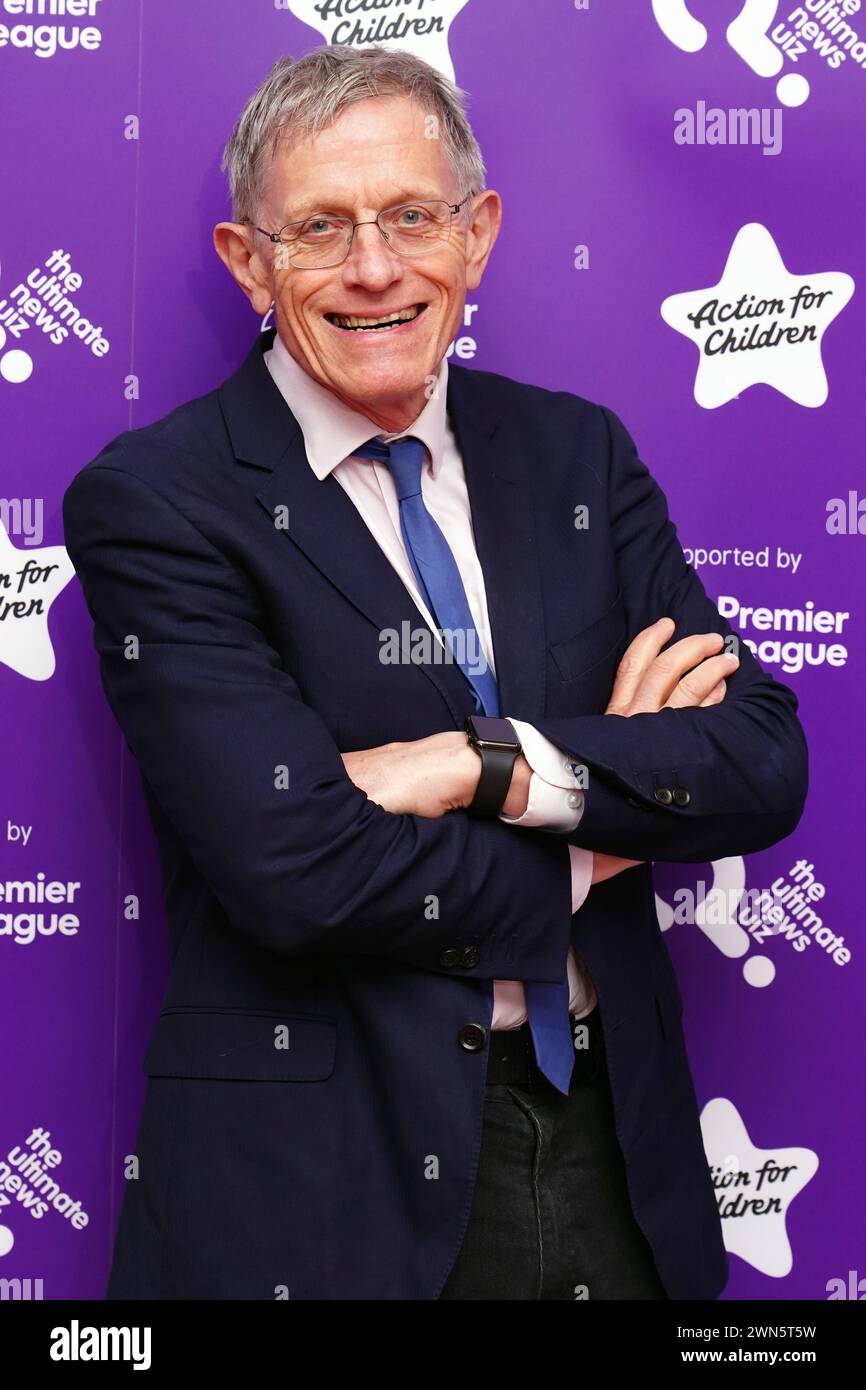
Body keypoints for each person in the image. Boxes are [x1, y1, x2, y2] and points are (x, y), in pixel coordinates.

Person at [62, 45, 807, 1301]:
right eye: (319, 228)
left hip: (613, 1154)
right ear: (250, 262)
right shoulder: (157, 500)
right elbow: (289, 864)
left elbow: (754, 758)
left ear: (477, 234)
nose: (373, 267)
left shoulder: (577, 454)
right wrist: (596, 826)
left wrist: (472, 762)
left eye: (411, 216)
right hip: (322, 1181)